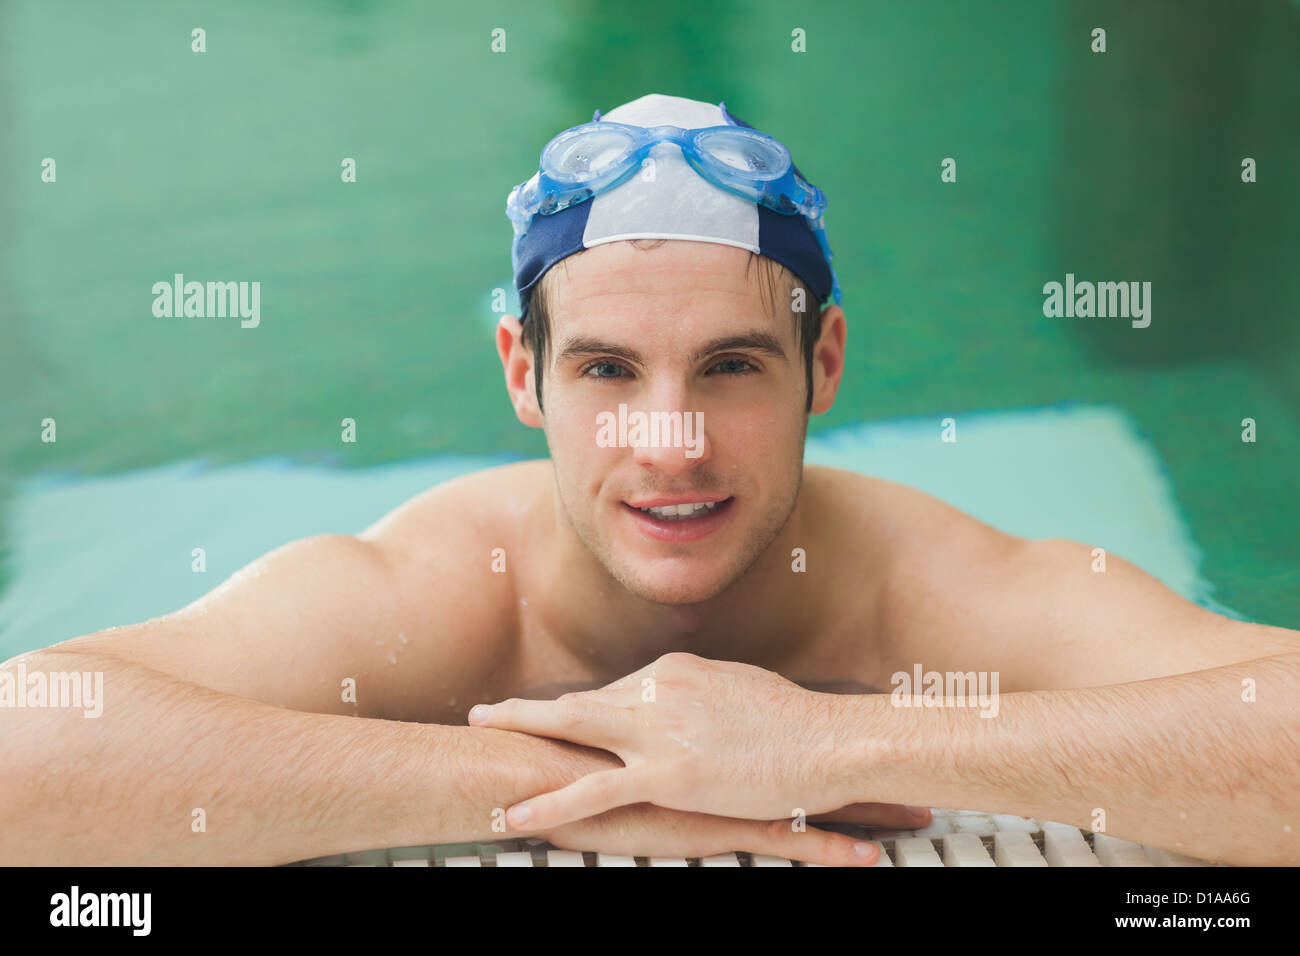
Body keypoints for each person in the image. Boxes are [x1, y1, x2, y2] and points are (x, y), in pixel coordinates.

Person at [3, 95, 1296, 867]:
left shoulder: (937, 591)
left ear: (823, 363)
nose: (670, 443)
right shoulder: (438, 594)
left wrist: (826, 742)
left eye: (731, 366)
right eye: (611, 370)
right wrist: (577, 789)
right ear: (524, 376)